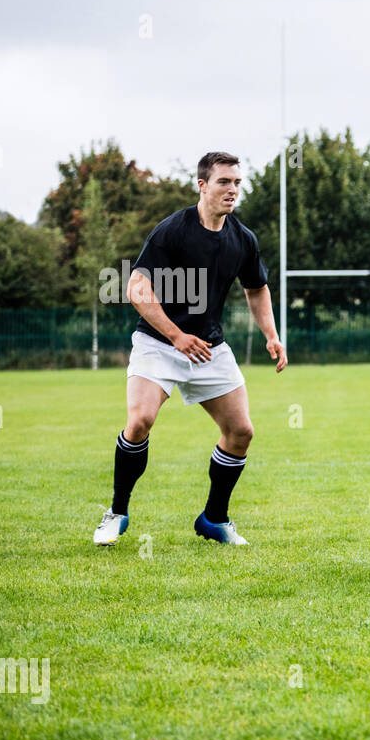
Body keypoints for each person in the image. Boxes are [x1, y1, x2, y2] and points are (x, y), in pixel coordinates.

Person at [92, 151, 287, 547]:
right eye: (223, 182)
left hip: (209, 348)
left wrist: (271, 333)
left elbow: (257, 288)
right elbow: (136, 289)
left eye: (236, 182)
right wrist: (175, 336)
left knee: (241, 432)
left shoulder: (242, 239)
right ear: (202, 185)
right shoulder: (172, 231)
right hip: (157, 344)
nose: (232, 190)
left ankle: (214, 520)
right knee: (140, 421)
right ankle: (117, 513)